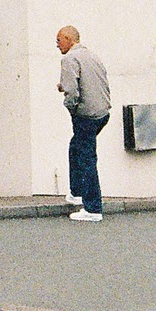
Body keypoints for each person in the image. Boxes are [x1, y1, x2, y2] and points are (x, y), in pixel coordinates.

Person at [56, 25, 110, 222]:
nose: (57, 45)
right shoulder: (92, 56)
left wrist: (72, 110)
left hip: (85, 115)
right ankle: (76, 192)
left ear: (69, 39)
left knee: (87, 158)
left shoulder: (69, 58)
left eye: (59, 40)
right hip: (102, 113)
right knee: (76, 147)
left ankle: (93, 207)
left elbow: (71, 92)